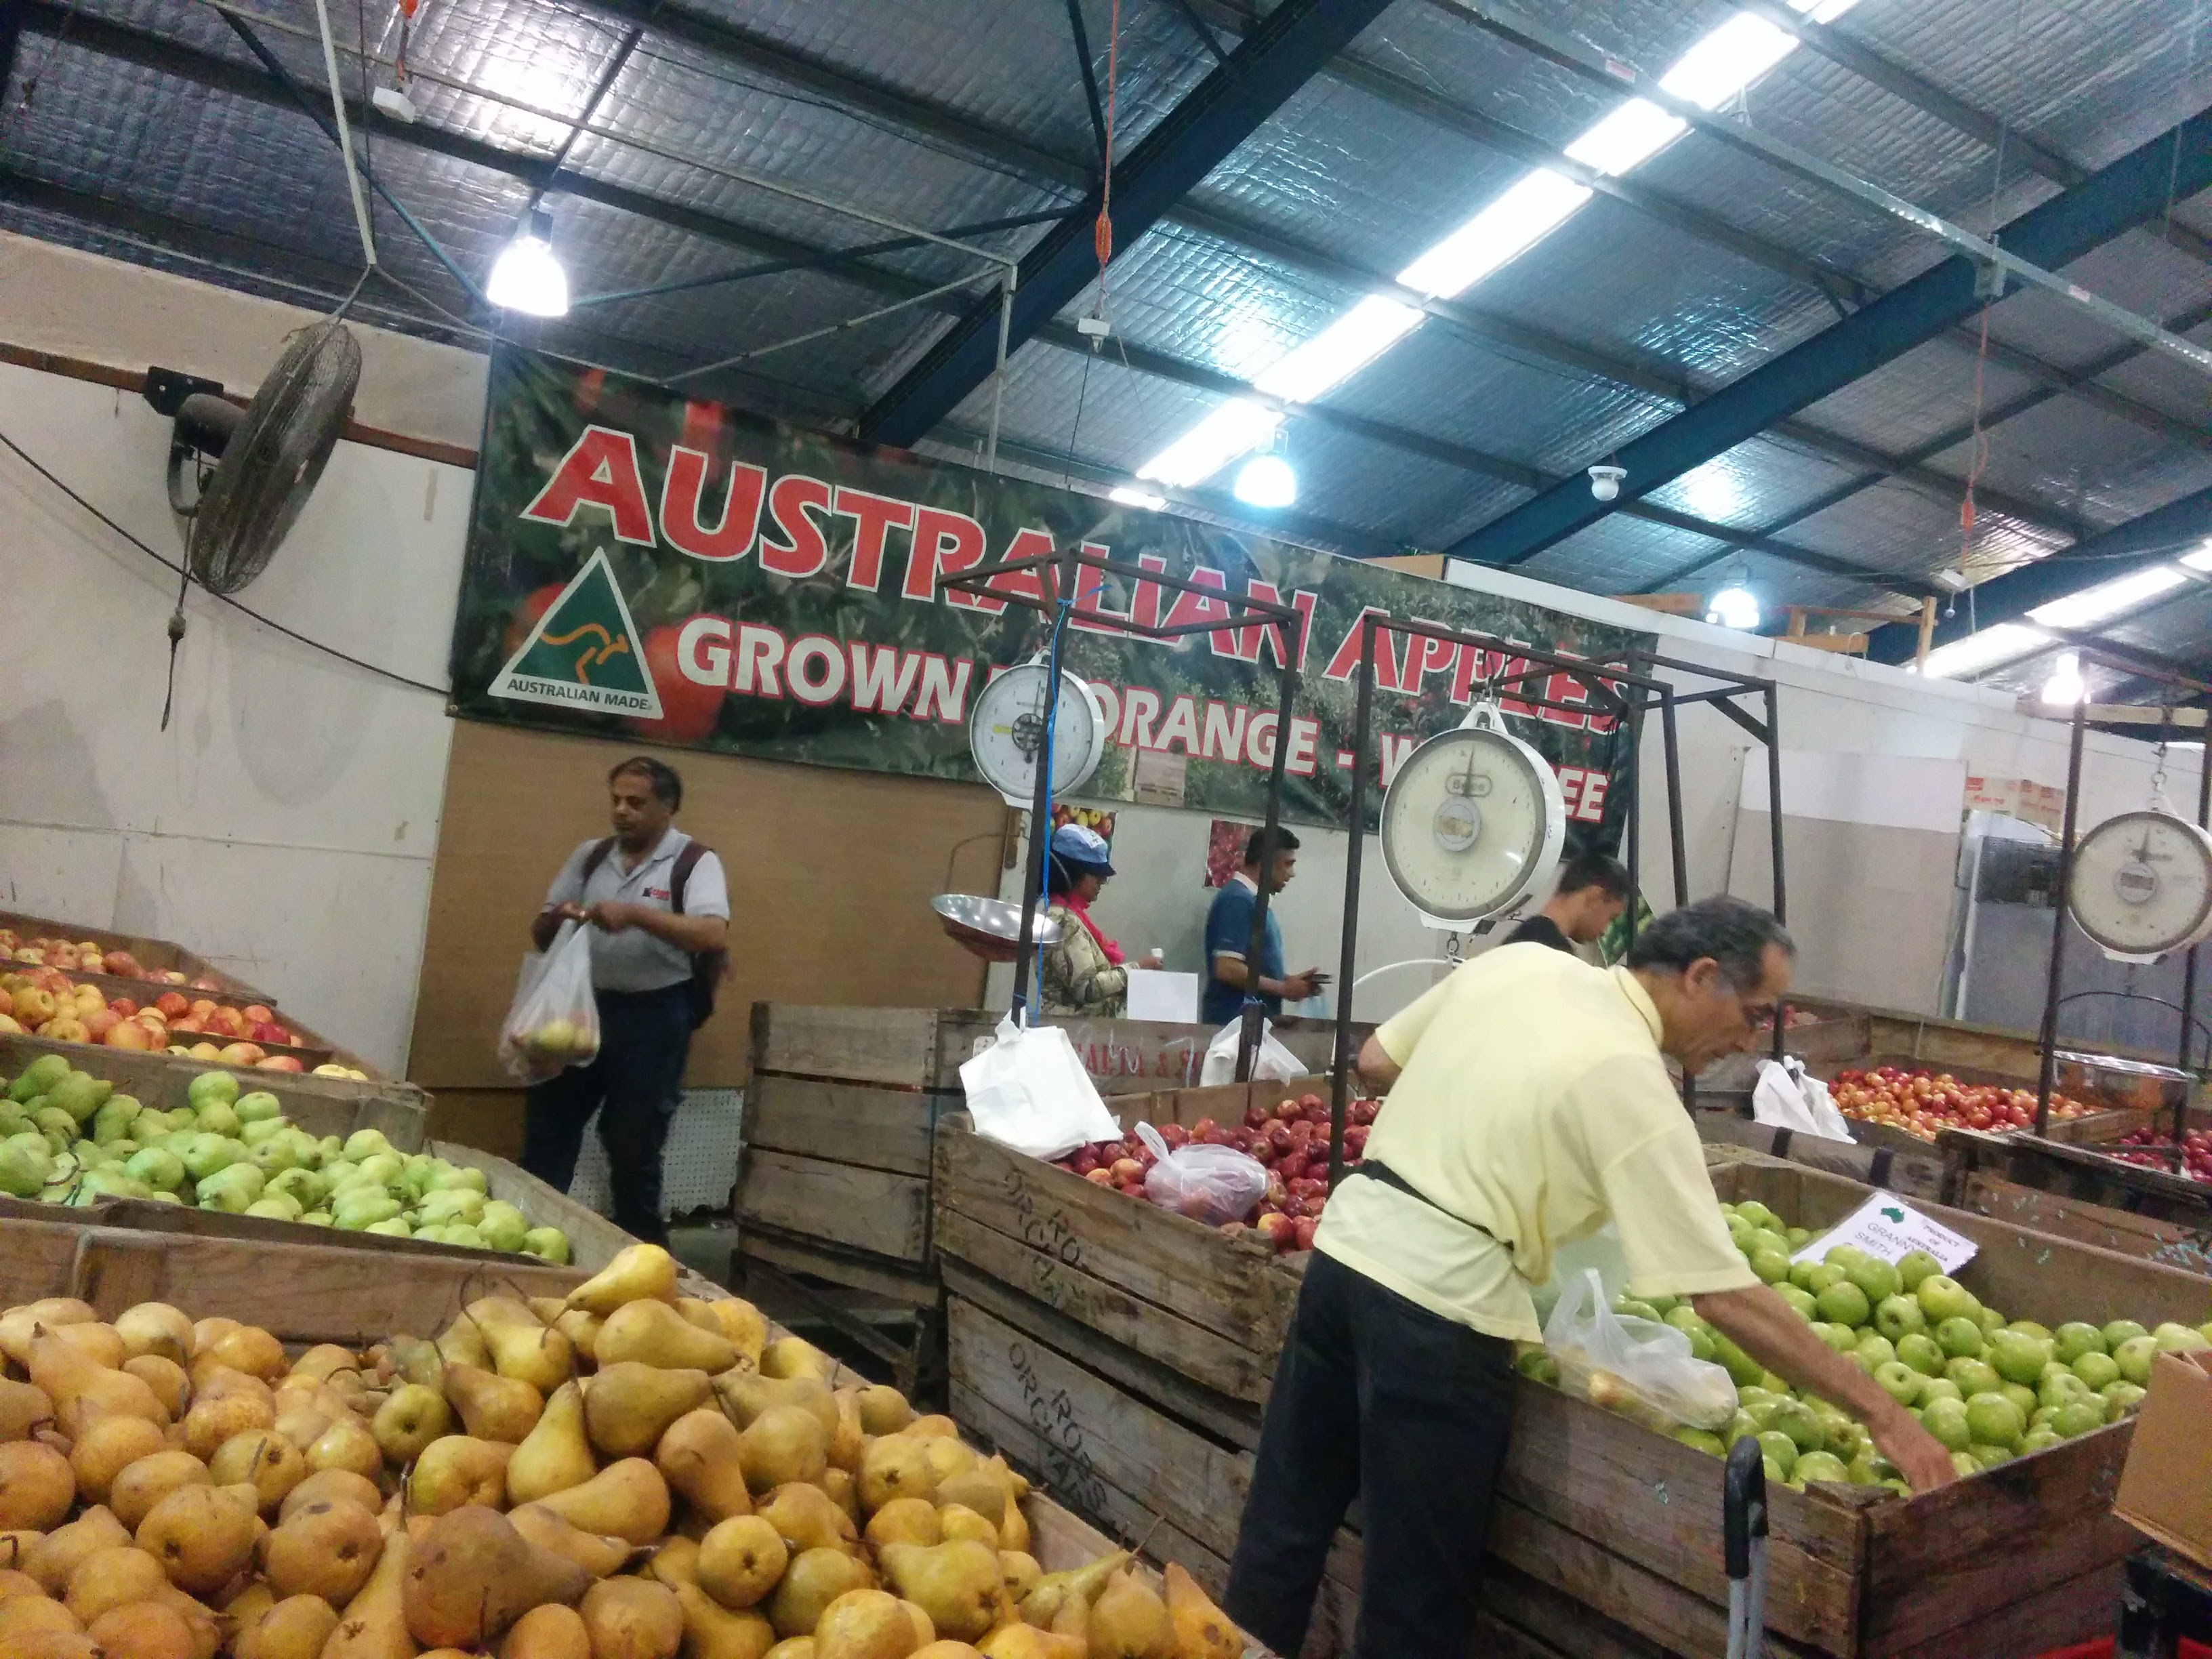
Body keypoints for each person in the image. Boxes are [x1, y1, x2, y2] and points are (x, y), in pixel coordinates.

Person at [1221, 896, 1954, 1659]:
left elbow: (1376, 1060)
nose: (1749, 1041)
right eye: (1754, 1013)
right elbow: (1727, 1296)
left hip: (1347, 1254)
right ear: (1701, 976)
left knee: (1284, 1526)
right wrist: (1885, 1416)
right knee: (1414, 1603)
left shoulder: (1521, 964)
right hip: (1442, 1313)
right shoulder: (1633, 1083)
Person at [523, 756, 729, 1245]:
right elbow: (541, 930)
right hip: (580, 1011)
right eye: (616, 800)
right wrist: (564, 916)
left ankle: (643, 1256)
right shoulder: (590, 856)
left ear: (668, 806)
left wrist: (637, 915)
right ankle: (532, 1239)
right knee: (549, 1128)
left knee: (633, 1143)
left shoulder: (694, 861)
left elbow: (711, 932)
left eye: (636, 803)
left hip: (655, 1019)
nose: (622, 812)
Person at [1201, 826, 1329, 1027]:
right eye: (1287, 864)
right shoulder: (1237, 901)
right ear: (1265, 863)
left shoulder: (1253, 901)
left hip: (1248, 1026)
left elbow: (1249, 964)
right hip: (1233, 1028)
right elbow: (1226, 968)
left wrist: (1287, 980)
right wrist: (1283, 989)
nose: (1292, 873)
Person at [1040, 824, 1129, 1017]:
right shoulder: (1061, 921)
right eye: (1096, 875)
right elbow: (1087, 988)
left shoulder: (1071, 917)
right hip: (1070, 1031)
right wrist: (1134, 971)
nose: (1102, 881)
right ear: (1073, 873)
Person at [1500, 850, 1631, 954]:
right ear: (1595, 898)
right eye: (1611, 918)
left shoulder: (1517, 940)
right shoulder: (1553, 956)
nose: (1604, 931)